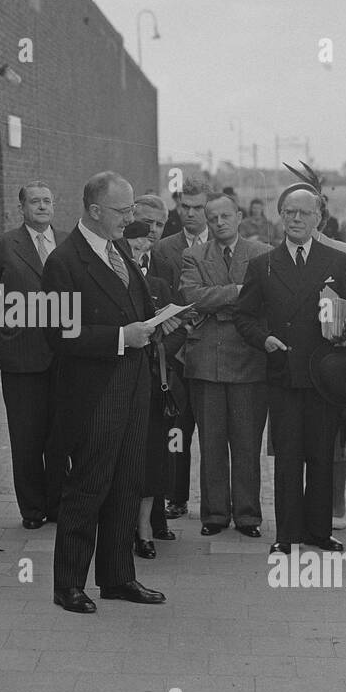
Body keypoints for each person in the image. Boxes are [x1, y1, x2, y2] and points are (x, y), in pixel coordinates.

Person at [45, 171, 166, 613]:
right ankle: (69, 585)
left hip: (133, 386)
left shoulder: (119, 253)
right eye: (122, 211)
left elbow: (137, 309)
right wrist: (121, 336)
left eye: (133, 209)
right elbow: (59, 333)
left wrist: (158, 321)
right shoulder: (64, 261)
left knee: (127, 482)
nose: (132, 219)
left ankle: (118, 577)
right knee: (89, 484)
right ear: (94, 211)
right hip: (94, 394)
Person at [234, 180, 346, 555]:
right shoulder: (263, 265)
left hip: (325, 375)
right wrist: (264, 340)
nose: (295, 219)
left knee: (322, 456)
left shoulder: (337, 261)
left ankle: (319, 531)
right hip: (283, 374)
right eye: (289, 212)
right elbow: (244, 317)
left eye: (304, 213)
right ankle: (287, 535)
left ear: (318, 218)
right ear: (280, 217)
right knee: (288, 458)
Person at [180, 193, 270, 538]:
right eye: (212, 218)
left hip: (249, 358)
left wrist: (217, 301)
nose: (219, 223)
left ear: (239, 215)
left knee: (247, 442)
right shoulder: (193, 255)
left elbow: (263, 301)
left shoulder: (261, 253)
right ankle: (215, 514)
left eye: (225, 216)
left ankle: (248, 516)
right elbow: (192, 297)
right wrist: (238, 291)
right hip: (206, 361)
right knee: (212, 442)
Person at [0, 181, 61, 530]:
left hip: (64, 356)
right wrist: (9, 326)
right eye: (34, 201)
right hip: (22, 358)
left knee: (61, 436)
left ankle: (58, 504)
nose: (42, 206)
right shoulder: (3, 245)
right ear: (21, 208)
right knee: (26, 437)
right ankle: (32, 509)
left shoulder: (70, 240)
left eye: (47, 200)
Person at [126, 220, 186, 558]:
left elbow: (180, 328)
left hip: (153, 376)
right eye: (132, 248)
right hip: (122, 374)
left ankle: (146, 527)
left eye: (143, 249)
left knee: (153, 452)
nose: (139, 254)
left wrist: (162, 339)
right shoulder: (116, 282)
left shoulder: (160, 284)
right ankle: (123, 524)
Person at [153, 176, 210, 518]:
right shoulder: (165, 249)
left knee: (215, 431)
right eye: (185, 207)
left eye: (198, 207)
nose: (191, 214)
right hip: (175, 350)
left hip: (212, 347)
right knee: (177, 427)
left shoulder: (221, 244)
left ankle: (218, 502)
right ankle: (176, 496)